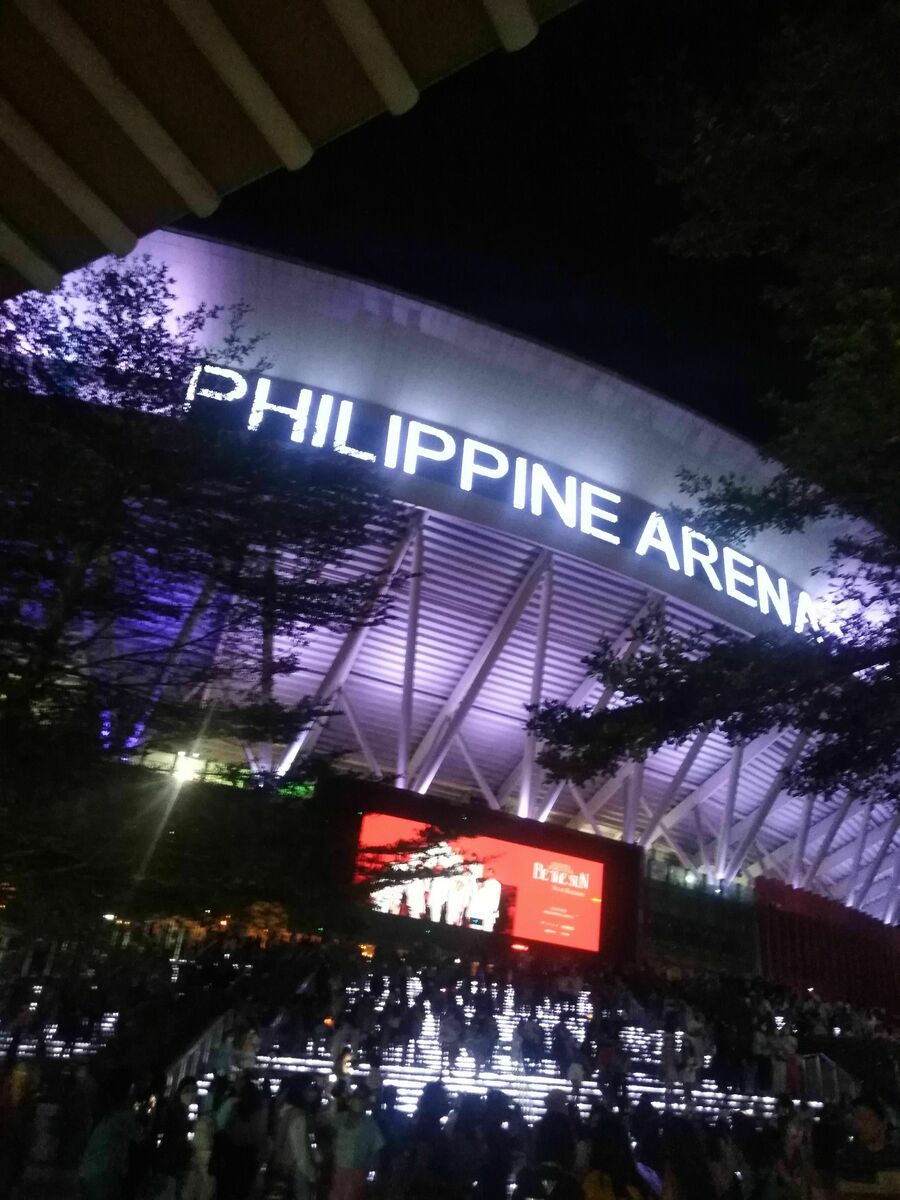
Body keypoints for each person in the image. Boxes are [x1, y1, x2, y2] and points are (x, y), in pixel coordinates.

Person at [78, 1070, 143, 1200]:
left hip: (87, 1172)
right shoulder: (124, 1117)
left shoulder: (107, 1114)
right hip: (104, 1174)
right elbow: (141, 1137)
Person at [835, 1094, 900, 1198]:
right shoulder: (847, 1157)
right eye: (856, 1119)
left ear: (883, 1123)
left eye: (865, 1119)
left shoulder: (895, 1157)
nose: (859, 1125)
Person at [328, 1083, 384, 1200]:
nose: (359, 1100)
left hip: (357, 1171)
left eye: (363, 1097)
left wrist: (372, 1175)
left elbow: (376, 1152)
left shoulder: (370, 1124)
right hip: (337, 1170)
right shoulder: (339, 1118)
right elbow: (330, 1139)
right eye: (357, 1095)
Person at [155, 1077, 197, 1200]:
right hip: (171, 1157)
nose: (192, 1094)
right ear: (181, 1090)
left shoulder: (180, 1108)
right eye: (188, 1090)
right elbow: (175, 1133)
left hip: (171, 1157)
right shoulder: (177, 1109)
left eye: (194, 1091)